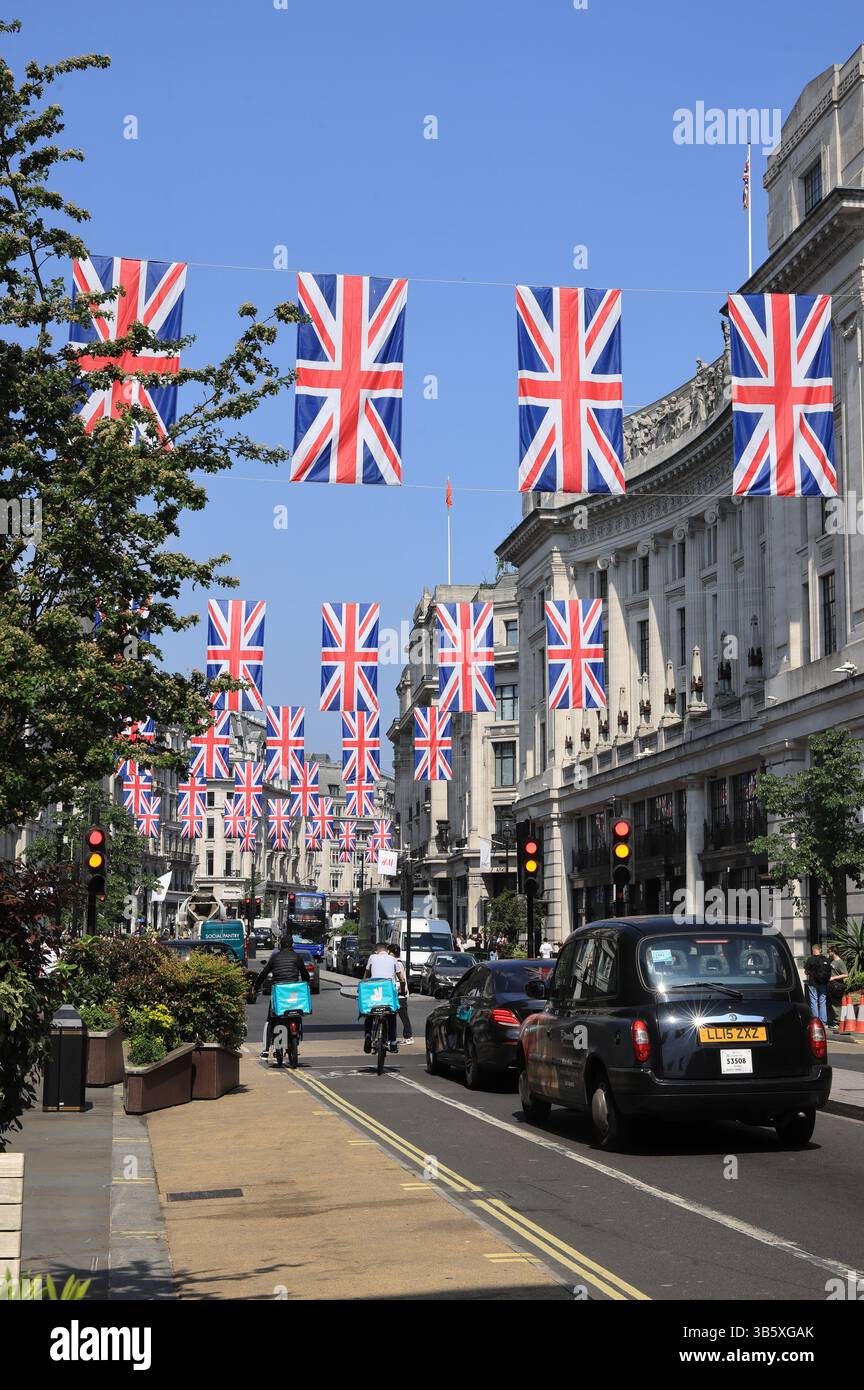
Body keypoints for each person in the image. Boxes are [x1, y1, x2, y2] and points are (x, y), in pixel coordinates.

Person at [252, 933, 311, 1060]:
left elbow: (263, 974)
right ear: (292, 945)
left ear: (280, 945)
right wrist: (306, 983)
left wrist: (255, 987)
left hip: (279, 993)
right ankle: (296, 1035)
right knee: (297, 1013)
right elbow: (305, 975)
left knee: (270, 1020)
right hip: (294, 993)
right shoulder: (297, 957)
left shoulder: (275, 957)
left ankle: (266, 1050)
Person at [362, 942, 399, 1054]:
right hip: (387, 993)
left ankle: (368, 1035)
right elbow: (401, 978)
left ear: (376, 951)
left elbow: (366, 975)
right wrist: (403, 989)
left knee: (369, 1014)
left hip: (375, 993)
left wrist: (363, 984)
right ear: (387, 951)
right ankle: (393, 1042)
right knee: (392, 1016)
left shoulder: (372, 957)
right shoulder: (393, 960)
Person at [388, 944, 413, 1043]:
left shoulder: (397, 963)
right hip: (398, 994)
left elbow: (400, 980)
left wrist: (399, 990)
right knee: (400, 1015)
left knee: (403, 1016)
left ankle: (408, 1036)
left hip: (400, 994)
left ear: (392, 952)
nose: (388, 954)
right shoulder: (397, 963)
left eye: (389, 952)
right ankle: (404, 1036)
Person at [803, 943, 832, 1025]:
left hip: (813, 983)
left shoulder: (810, 959)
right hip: (823, 983)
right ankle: (823, 1022)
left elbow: (806, 971)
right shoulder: (825, 959)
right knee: (823, 1001)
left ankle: (816, 1021)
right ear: (820, 950)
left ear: (813, 950)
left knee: (814, 1001)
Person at [827, 945, 848, 1030]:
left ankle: (837, 1022)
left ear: (833, 952)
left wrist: (833, 977)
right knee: (832, 1003)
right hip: (831, 985)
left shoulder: (840, 962)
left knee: (836, 1004)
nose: (828, 952)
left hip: (837, 985)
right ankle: (833, 1021)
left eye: (829, 951)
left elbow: (846, 974)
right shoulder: (832, 961)